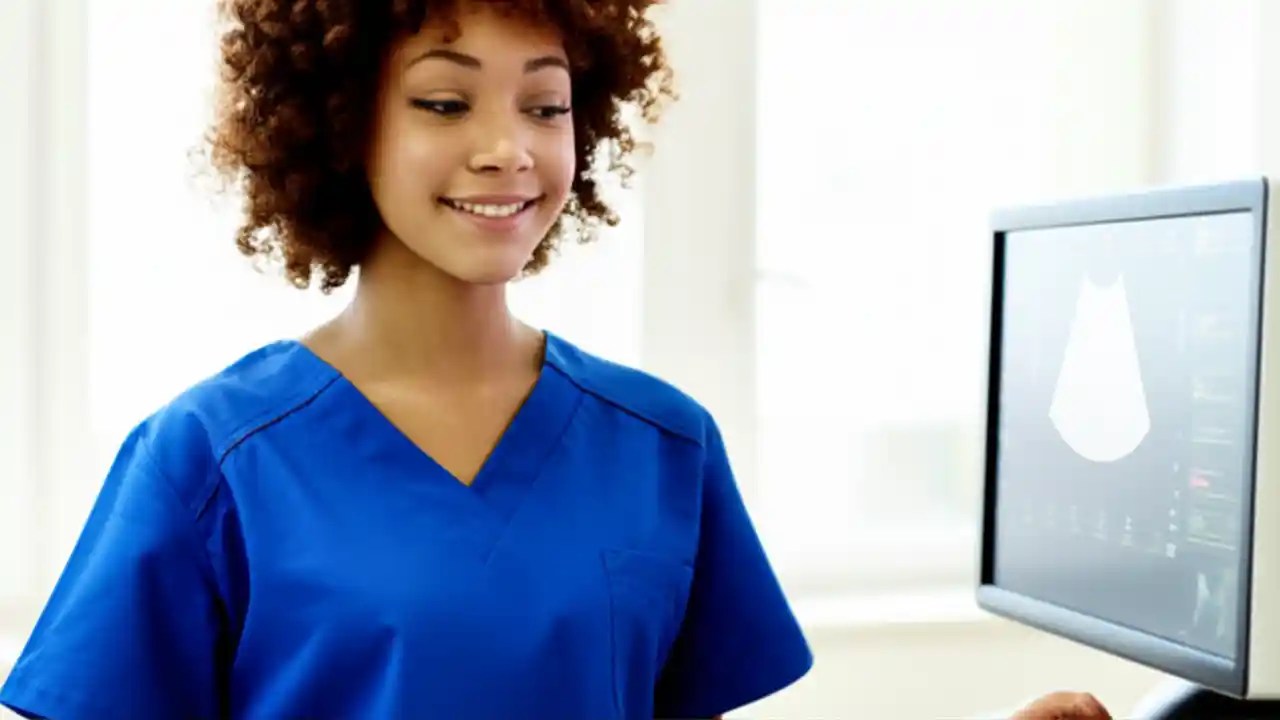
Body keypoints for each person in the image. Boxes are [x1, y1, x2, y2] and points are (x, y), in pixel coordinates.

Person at [0, 1, 1110, 718]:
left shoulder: (662, 445)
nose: (510, 148)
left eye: (546, 104)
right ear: (340, 127)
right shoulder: (211, 460)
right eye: (445, 101)